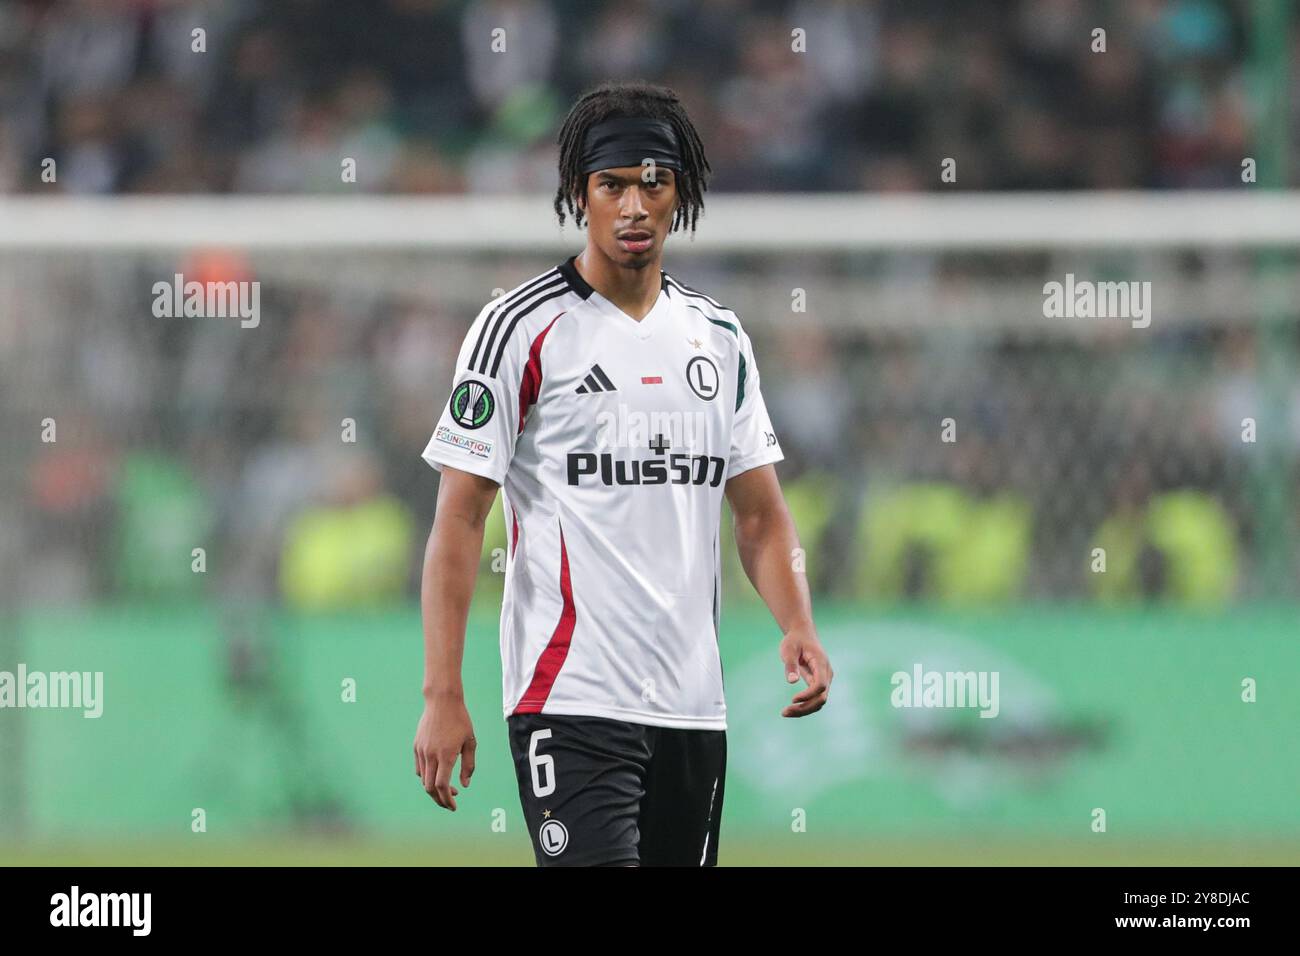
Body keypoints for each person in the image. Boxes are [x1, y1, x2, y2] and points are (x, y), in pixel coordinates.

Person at [413, 81, 832, 867]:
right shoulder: (520, 330)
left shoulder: (719, 338)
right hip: (569, 698)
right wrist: (443, 690)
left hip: (692, 706)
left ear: (682, 193)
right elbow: (460, 518)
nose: (634, 206)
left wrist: (796, 623)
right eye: (612, 185)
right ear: (580, 194)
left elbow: (759, 516)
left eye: (654, 182)